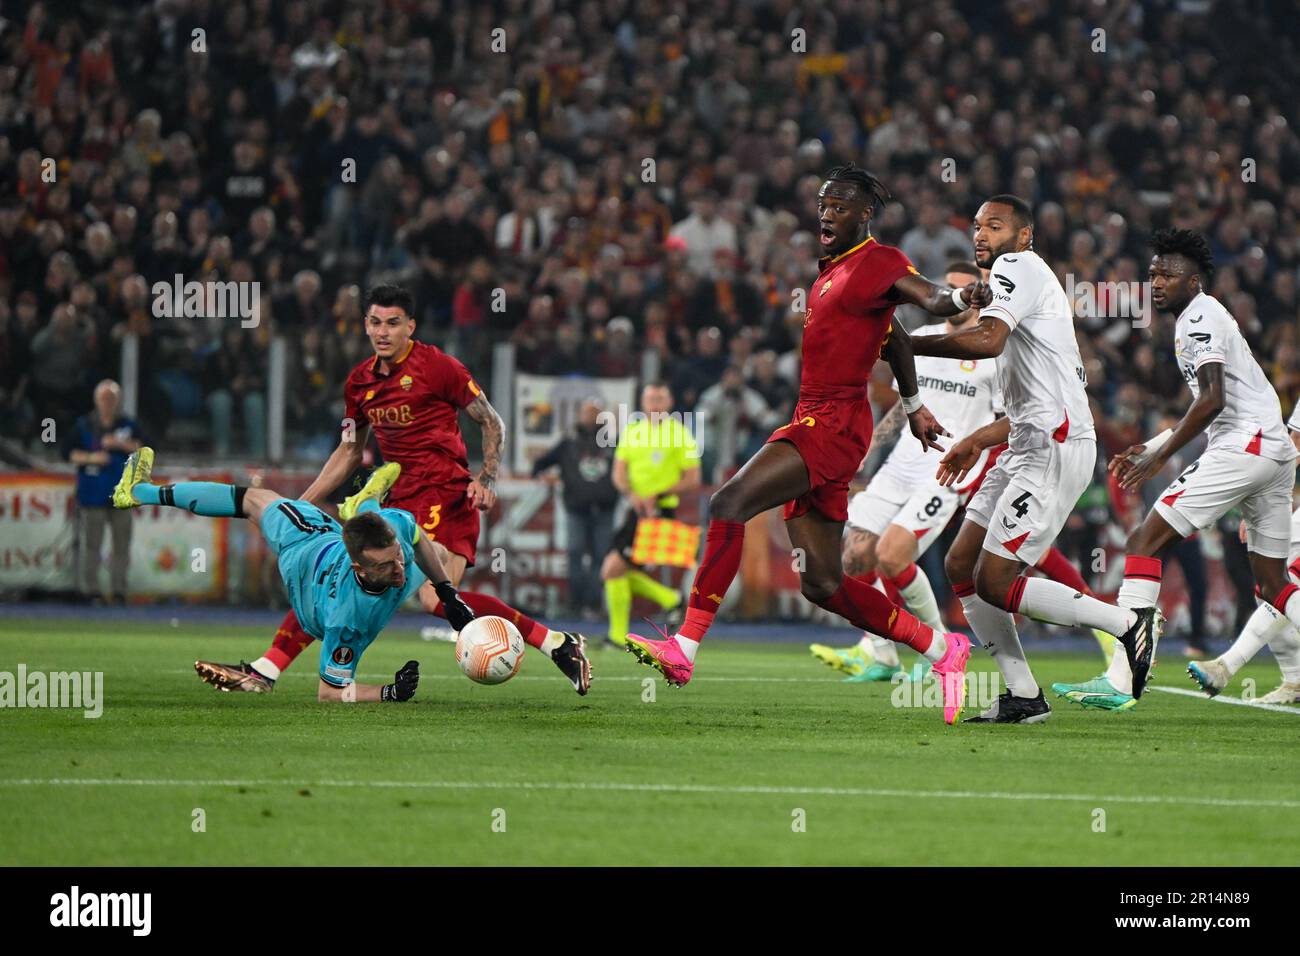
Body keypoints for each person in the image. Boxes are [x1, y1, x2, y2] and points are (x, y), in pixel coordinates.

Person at [623, 163, 994, 726]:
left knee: (728, 504)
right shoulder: (830, 273)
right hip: (817, 417)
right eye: (823, 203)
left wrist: (961, 298)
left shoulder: (882, 262)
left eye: (840, 205)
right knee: (822, 583)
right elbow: (893, 337)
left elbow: (929, 299)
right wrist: (915, 407)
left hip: (835, 421)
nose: (827, 213)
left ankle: (686, 647)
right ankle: (944, 650)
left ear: (864, 214)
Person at [193, 285, 591, 695]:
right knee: (338, 573)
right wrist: (300, 507)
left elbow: (491, 422)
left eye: (393, 323)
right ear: (365, 325)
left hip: (444, 493)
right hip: (397, 497)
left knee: (435, 599)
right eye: (376, 322)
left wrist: (485, 479)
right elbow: (349, 451)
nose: (383, 331)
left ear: (410, 327)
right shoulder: (359, 384)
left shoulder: (438, 367)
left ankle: (555, 642)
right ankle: (265, 670)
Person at [1010, 229, 1300, 712]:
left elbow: (1212, 401)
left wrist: (1161, 457)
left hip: (1245, 448)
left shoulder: (1199, 318)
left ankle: (1124, 677)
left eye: (1169, 274)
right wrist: (1157, 442)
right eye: (1153, 275)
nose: (1157, 282)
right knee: (1274, 583)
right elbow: (1213, 405)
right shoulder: (1202, 316)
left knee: (1145, 541)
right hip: (1270, 452)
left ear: (1195, 280)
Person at [909, 195, 1144, 723]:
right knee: (959, 565)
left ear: (1023, 237)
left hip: (1053, 447)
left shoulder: (1018, 268)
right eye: (976, 226)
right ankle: (1023, 695)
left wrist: (909, 345)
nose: (981, 235)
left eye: (995, 226)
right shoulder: (1012, 293)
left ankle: (1126, 624)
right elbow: (1029, 397)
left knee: (995, 580)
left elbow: (988, 343)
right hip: (1027, 441)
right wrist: (977, 441)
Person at [113, 448, 472, 702]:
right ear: (359, 568)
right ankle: (139, 492)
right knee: (253, 500)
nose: (399, 569)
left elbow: (416, 538)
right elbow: (330, 694)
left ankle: (365, 503)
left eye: (396, 558)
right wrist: (388, 694)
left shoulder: (396, 538)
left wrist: (446, 590)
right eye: (386, 566)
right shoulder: (347, 621)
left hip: (336, 555)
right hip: (306, 554)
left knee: (436, 550)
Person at [601, 382, 700, 648]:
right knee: (613, 570)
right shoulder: (633, 431)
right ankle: (671, 599)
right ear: (643, 402)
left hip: (659, 511)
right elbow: (618, 474)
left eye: (660, 398)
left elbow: (692, 478)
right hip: (635, 510)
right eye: (650, 398)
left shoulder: (679, 434)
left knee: (613, 569)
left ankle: (617, 635)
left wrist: (657, 494)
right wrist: (633, 495)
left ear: (669, 402)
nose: (655, 403)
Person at [531, 398, 619, 618]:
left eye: (596, 412)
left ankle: (593, 604)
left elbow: (628, 469)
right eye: (587, 412)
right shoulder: (568, 443)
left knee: (601, 557)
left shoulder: (614, 442)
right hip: (576, 510)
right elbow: (540, 464)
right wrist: (544, 477)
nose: (591, 417)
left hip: (605, 510)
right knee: (574, 554)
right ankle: (576, 604)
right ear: (580, 415)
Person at [64, 379, 144, 604]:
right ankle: (91, 591)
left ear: (118, 401)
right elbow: (66, 452)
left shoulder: (128, 424)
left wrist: (122, 445)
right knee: (91, 545)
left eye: (111, 399)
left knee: (121, 546)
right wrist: (91, 458)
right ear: (96, 400)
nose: (108, 403)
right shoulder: (84, 425)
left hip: (122, 495)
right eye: (104, 398)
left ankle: (119, 591)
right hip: (92, 494)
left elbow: (146, 448)